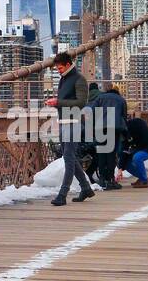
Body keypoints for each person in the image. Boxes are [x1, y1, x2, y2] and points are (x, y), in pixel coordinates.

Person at [48, 51, 95, 206]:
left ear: (68, 65)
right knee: (70, 158)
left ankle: (62, 195)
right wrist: (56, 103)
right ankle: (86, 188)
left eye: (60, 68)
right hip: (63, 122)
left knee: (68, 158)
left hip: (74, 123)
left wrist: (58, 102)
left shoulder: (79, 79)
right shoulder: (64, 79)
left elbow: (81, 102)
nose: (58, 70)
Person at [86, 82, 128, 189]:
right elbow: (124, 116)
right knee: (111, 154)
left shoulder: (101, 98)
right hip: (114, 129)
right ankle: (110, 180)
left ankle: (102, 179)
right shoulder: (121, 100)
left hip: (101, 128)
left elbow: (92, 111)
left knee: (101, 153)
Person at [119, 109, 148, 187]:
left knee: (137, 157)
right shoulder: (123, 134)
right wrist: (120, 168)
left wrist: (133, 146)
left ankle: (144, 181)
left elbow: (141, 125)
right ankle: (142, 178)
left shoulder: (135, 123)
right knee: (126, 164)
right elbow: (124, 149)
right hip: (138, 148)